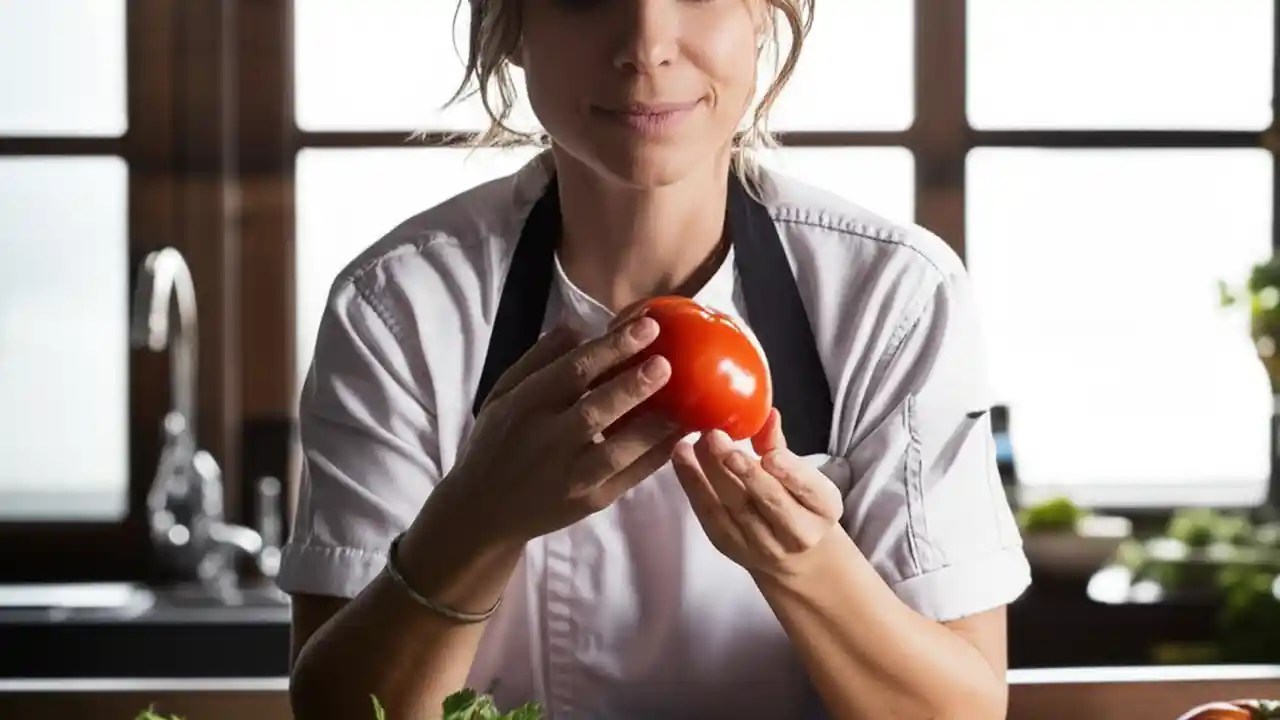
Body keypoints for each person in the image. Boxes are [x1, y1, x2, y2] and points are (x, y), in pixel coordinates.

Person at [279, 1, 1031, 718]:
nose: (646, 45)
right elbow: (338, 709)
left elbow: (959, 709)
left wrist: (807, 565)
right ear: (509, 25)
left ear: (764, 12)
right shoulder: (396, 306)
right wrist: (476, 521)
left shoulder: (891, 295)